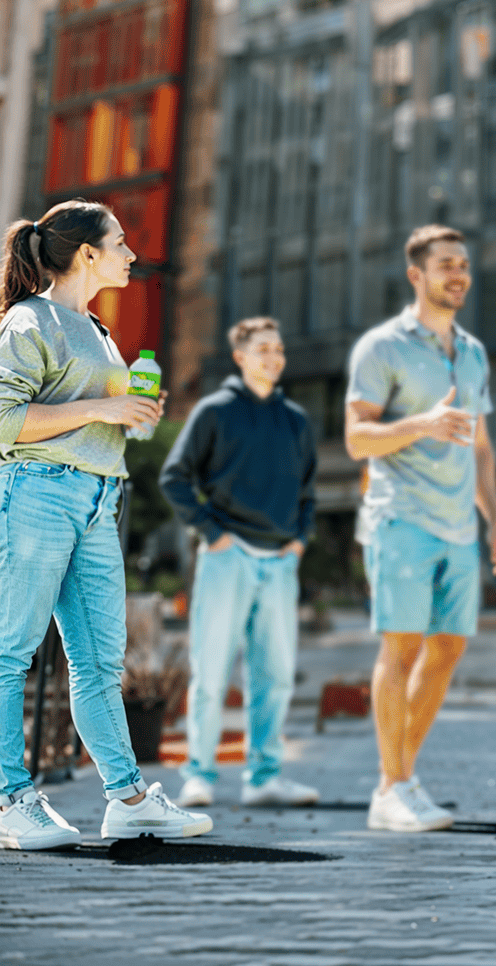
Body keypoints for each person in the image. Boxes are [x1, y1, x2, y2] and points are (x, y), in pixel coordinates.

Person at [0, 200, 212, 848]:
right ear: (87, 254)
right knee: (10, 654)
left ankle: (128, 799)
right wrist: (107, 404)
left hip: (97, 502)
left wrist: (130, 418)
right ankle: (11, 801)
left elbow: (91, 416)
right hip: (39, 493)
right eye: (121, 244)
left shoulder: (98, 329)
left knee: (98, 665)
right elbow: (7, 422)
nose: (131, 255)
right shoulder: (28, 321)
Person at [345, 225, 496, 832]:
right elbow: (356, 437)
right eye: (446, 265)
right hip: (400, 517)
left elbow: (483, 447)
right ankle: (392, 786)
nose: (459, 275)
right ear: (417, 275)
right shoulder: (382, 347)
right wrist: (422, 424)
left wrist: (494, 518)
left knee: (448, 648)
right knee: (403, 645)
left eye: (464, 264)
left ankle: (401, 778)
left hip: (457, 524)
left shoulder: (471, 352)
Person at [160, 316, 320, 808]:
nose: (274, 358)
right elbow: (175, 478)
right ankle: (200, 777)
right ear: (240, 356)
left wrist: (299, 542)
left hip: (280, 563)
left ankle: (264, 778)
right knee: (210, 672)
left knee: (274, 675)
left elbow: (308, 492)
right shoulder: (214, 412)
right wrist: (213, 533)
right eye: (264, 349)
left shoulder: (295, 419)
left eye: (279, 350)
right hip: (227, 558)